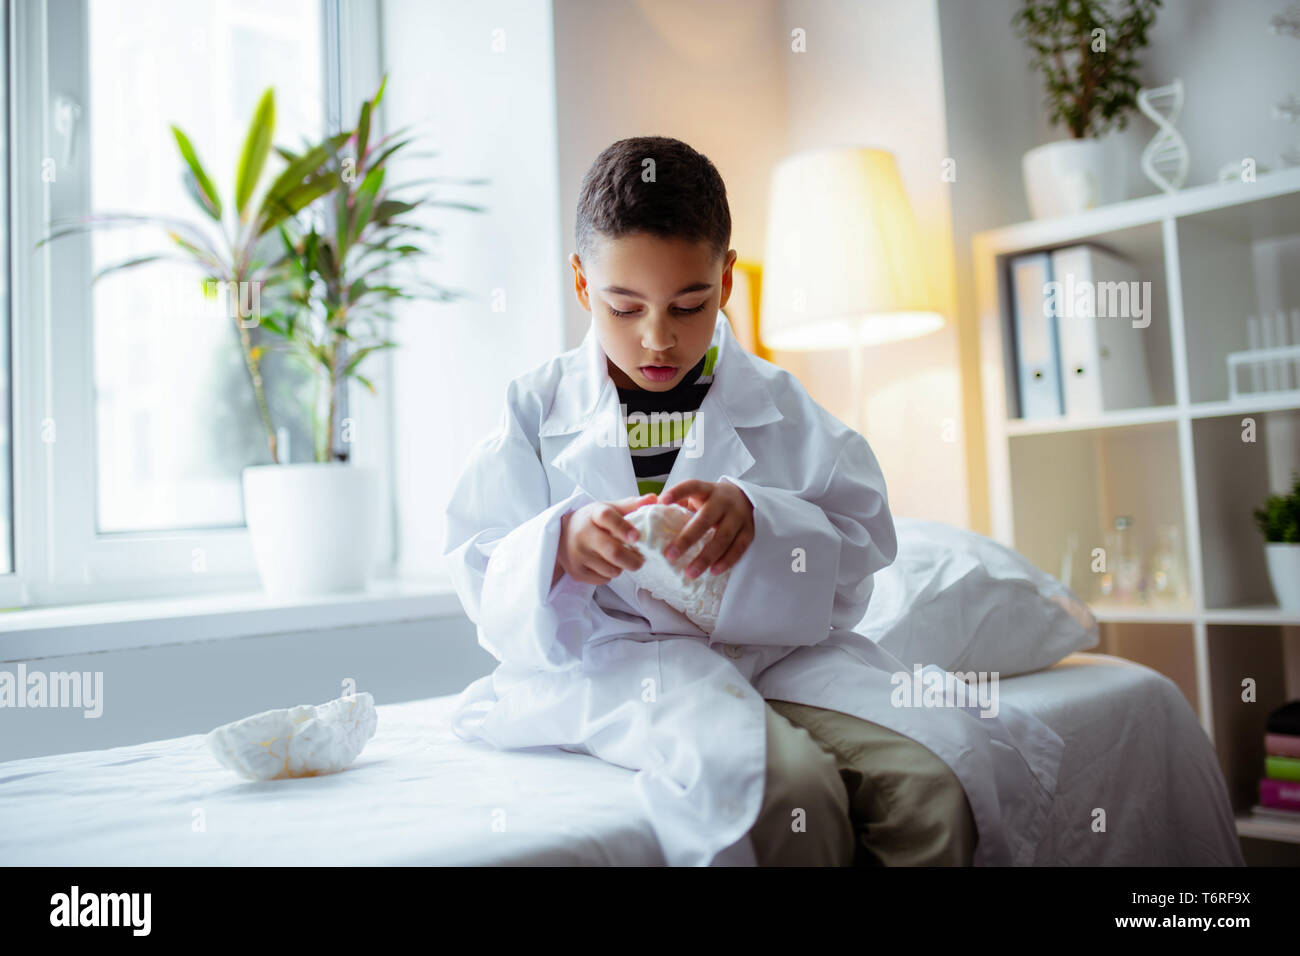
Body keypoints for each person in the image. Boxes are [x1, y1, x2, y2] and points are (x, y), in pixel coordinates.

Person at [443, 136, 1061, 867]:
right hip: (624, 668)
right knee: (786, 796)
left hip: (776, 655)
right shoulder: (534, 409)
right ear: (582, 284)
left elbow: (862, 542)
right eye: (624, 306)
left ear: (727, 280)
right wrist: (561, 545)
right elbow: (481, 564)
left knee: (938, 779)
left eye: (689, 303)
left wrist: (763, 521)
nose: (657, 338)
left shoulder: (777, 404)